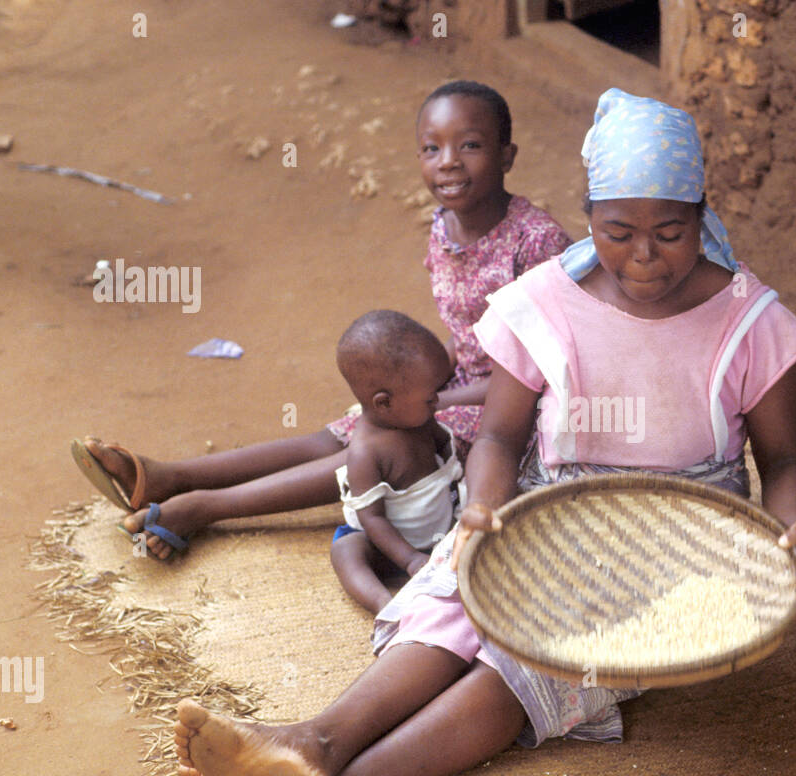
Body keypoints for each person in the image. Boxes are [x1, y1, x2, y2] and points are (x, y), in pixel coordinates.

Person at [172, 89, 796, 776]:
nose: (644, 256)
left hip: (680, 540)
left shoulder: (748, 319)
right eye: (617, 231)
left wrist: (794, 521)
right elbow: (501, 438)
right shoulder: (549, 300)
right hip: (551, 505)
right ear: (587, 215)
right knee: (464, 594)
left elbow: (782, 460)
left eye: (671, 232)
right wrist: (484, 504)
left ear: (701, 211)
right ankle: (317, 741)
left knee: (535, 655)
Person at [70, 80, 571, 559]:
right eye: (431, 149)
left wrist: (435, 401)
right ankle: (173, 476)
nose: (449, 163)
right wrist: (422, 380)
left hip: (514, 414)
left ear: (507, 156)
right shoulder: (445, 226)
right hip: (462, 386)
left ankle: (208, 507)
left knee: (377, 447)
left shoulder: (535, 242)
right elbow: (469, 331)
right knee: (345, 429)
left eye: (470, 146)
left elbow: (543, 368)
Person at [330, 311, 461, 614]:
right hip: (386, 546)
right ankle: (384, 605)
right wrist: (409, 559)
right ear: (384, 402)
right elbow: (373, 519)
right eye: (430, 398)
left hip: (438, 533)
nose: (438, 403)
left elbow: (447, 450)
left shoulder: (419, 418)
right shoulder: (365, 453)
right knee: (346, 550)